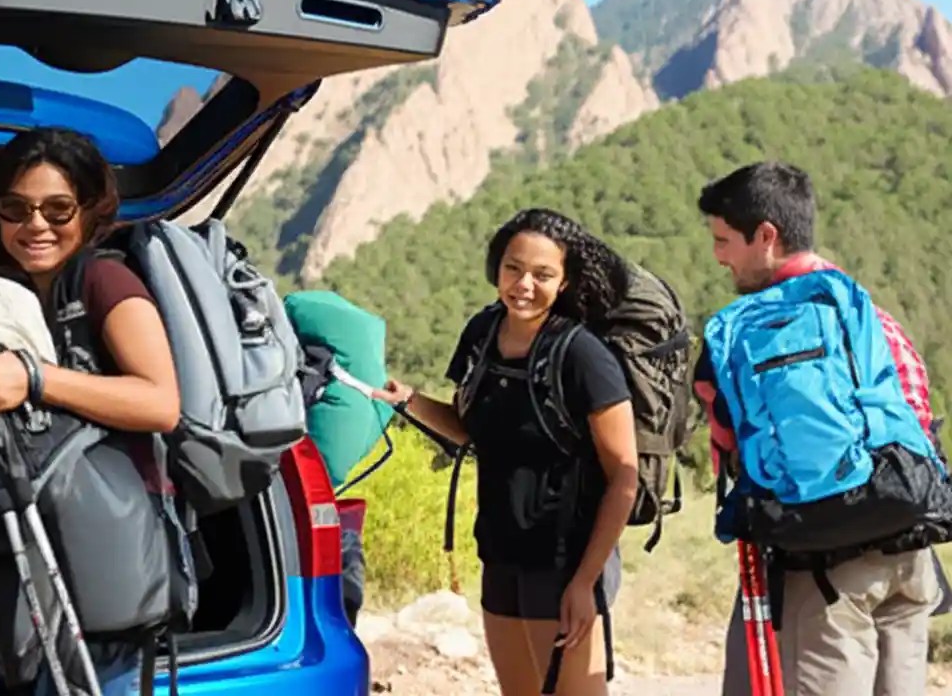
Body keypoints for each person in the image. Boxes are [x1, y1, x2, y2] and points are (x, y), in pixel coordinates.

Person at [692, 161, 946, 696]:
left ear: (766, 236)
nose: (718, 256)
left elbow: (734, 452)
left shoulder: (759, 331)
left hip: (826, 569)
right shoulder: (866, 311)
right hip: (909, 553)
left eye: (724, 241)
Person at [373, 208, 640, 696]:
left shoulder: (582, 356)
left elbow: (624, 476)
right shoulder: (482, 333)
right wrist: (410, 401)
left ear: (564, 282)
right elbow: (470, 430)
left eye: (543, 274)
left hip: (564, 563)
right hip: (500, 553)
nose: (523, 284)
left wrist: (585, 582)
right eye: (513, 268)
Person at [0, 127, 182, 695]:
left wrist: (33, 378)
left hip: (111, 541)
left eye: (58, 208)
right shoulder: (17, 297)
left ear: (88, 212)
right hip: (49, 539)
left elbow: (161, 402)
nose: (36, 224)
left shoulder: (104, 278)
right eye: (16, 208)